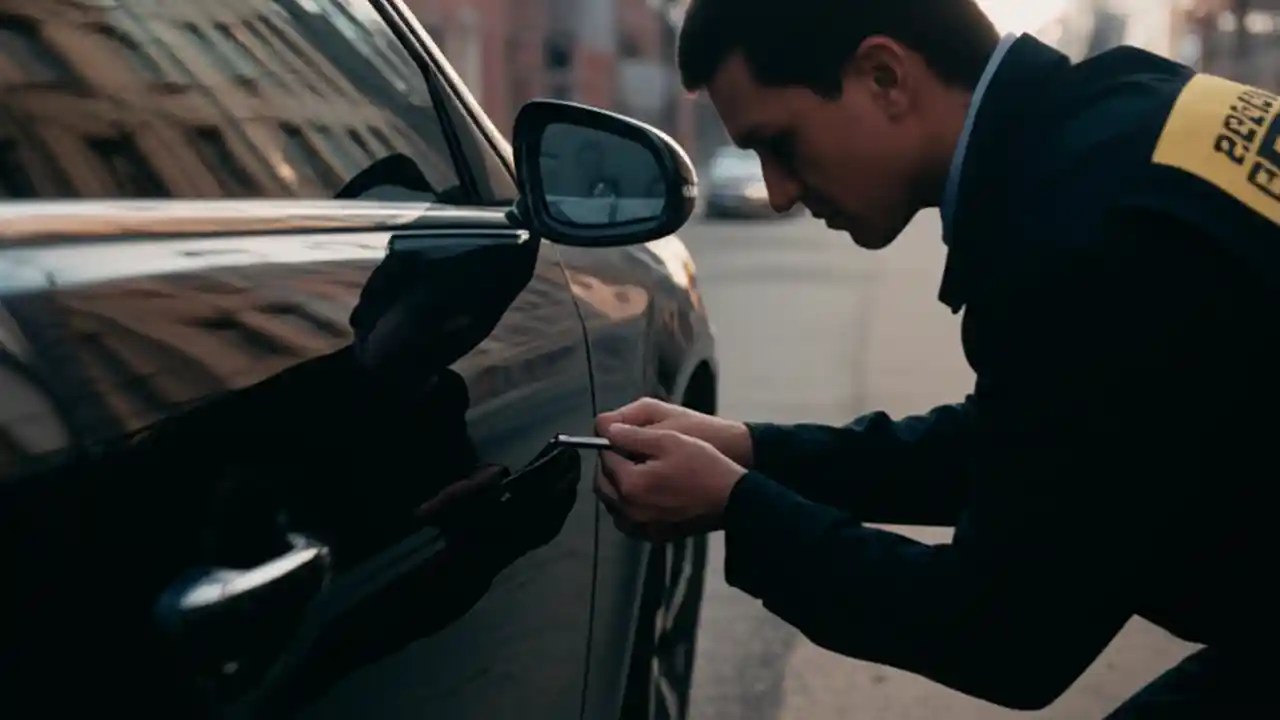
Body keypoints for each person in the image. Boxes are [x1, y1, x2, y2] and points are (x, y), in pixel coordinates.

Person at [592, 0, 1276, 716]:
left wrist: (740, 508)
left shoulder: (1082, 237)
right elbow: (1041, 443)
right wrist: (755, 454)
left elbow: (1006, 637)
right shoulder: (1124, 118)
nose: (778, 191)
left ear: (885, 77)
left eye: (781, 143)